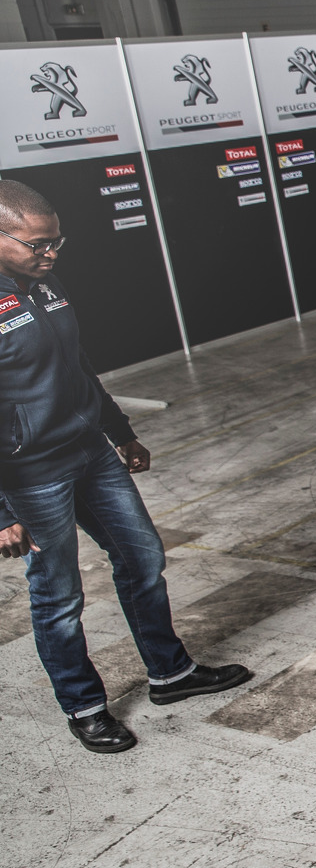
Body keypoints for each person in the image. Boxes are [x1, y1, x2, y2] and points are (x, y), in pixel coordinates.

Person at [0, 180, 251, 753]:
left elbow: (79, 368)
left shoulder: (45, 285)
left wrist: (120, 431)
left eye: (57, 242)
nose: (51, 254)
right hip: (31, 474)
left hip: (88, 451)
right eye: (37, 244)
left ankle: (170, 674)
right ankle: (84, 706)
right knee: (59, 594)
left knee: (142, 558)